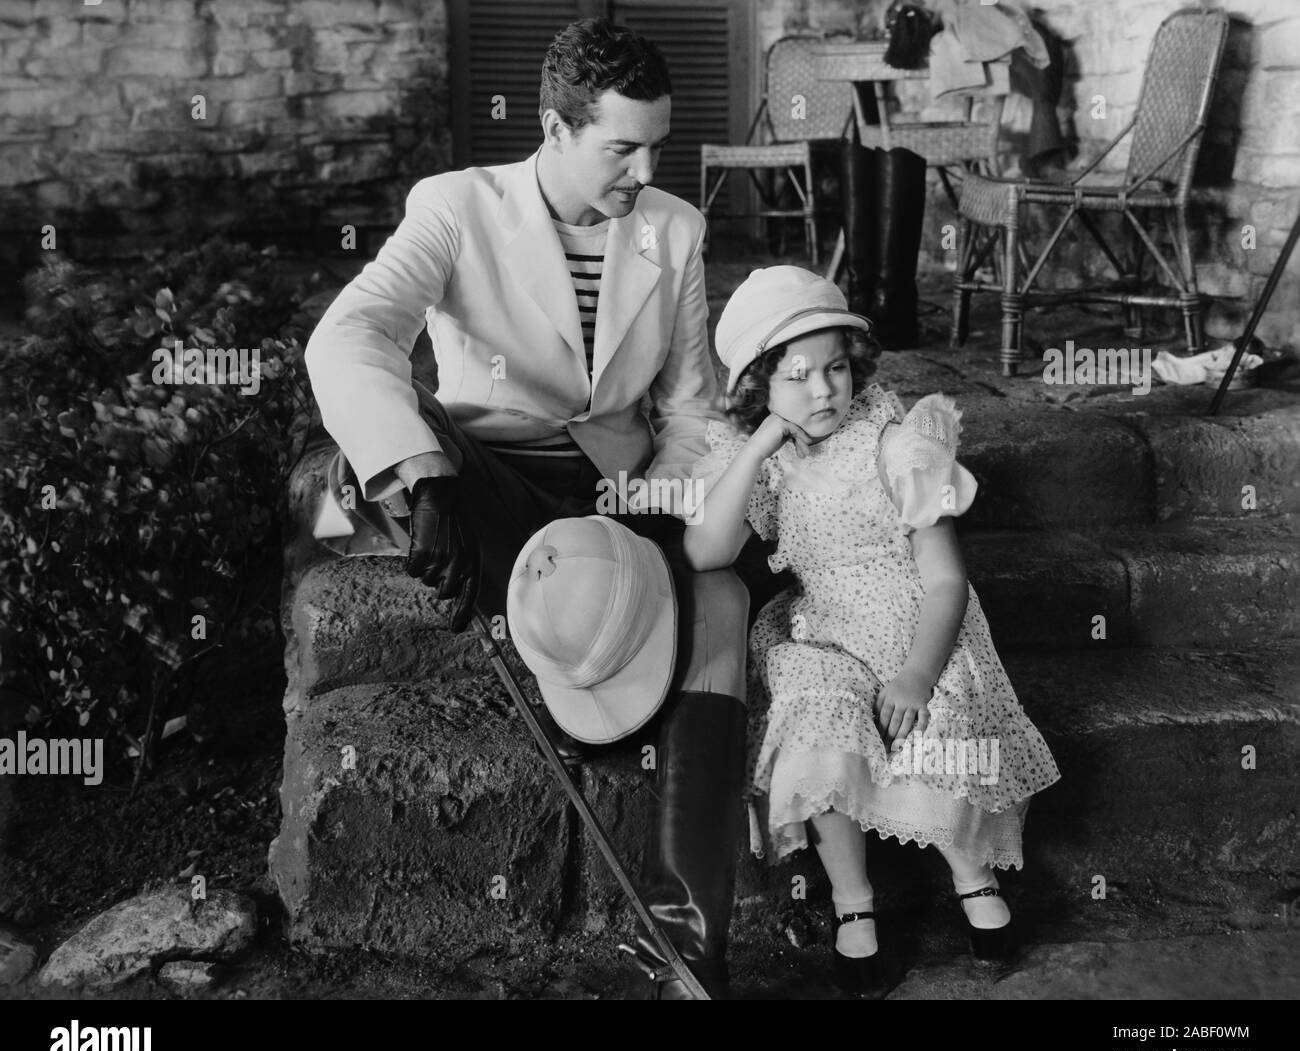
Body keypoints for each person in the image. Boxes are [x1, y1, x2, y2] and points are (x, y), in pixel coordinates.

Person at [304, 17, 769, 998]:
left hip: (620, 489)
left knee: (721, 594)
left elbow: (687, 408)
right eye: (621, 146)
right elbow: (349, 336)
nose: (645, 168)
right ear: (555, 127)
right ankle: (428, 509)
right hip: (490, 479)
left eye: (658, 144)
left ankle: (686, 937)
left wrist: (657, 505)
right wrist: (425, 477)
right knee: (379, 446)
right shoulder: (455, 207)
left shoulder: (673, 229)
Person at [683, 266, 1061, 997]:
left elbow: (948, 581)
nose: (823, 391)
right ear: (760, 387)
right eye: (797, 377)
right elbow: (705, 551)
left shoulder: (895, 442)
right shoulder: (761, 459)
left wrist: (918, 671)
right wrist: (761, 443)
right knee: (814, 714)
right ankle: (854, 901)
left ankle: (971, 875)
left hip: (921, 629)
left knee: (942, 719)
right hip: (827, 630)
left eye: (835, 369)